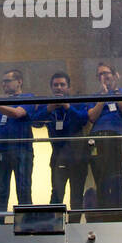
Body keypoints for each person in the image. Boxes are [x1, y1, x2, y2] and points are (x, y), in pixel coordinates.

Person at [0, 69, 39, 225]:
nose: (4, 84)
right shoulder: (3, 103)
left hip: (21, 150)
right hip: (1, 150)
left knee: (23, 189)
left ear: (19, 82)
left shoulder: (28, 98)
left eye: (7, 81)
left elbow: (17, 113)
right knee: (0, 191)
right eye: (3, 82)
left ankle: (26, 225)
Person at [86, 62, 122, 215]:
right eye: (100, 74)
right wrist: (103, 96)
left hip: (116, 139)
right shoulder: (95, 96)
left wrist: (114, 92)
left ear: (115, 75)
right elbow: (92, 117)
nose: (104, 76)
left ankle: (118, 216)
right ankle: (104, 217)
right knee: (100, 180)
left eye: (106, 73)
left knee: (116, 179)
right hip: (96, 140)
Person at [39, 71, 91, 210]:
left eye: (62, 84)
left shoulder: (77, 103)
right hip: (57, 156)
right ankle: (54, 226)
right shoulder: (47, 106)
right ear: (51, 87)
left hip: (78, 156)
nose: (59, 88)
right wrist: (49, 109)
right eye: (56, 85)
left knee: (77, 195)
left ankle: (74, 226)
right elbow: (35, 122)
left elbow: (84, 119)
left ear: (68, 87)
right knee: (56, 193)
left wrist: (68, 107)